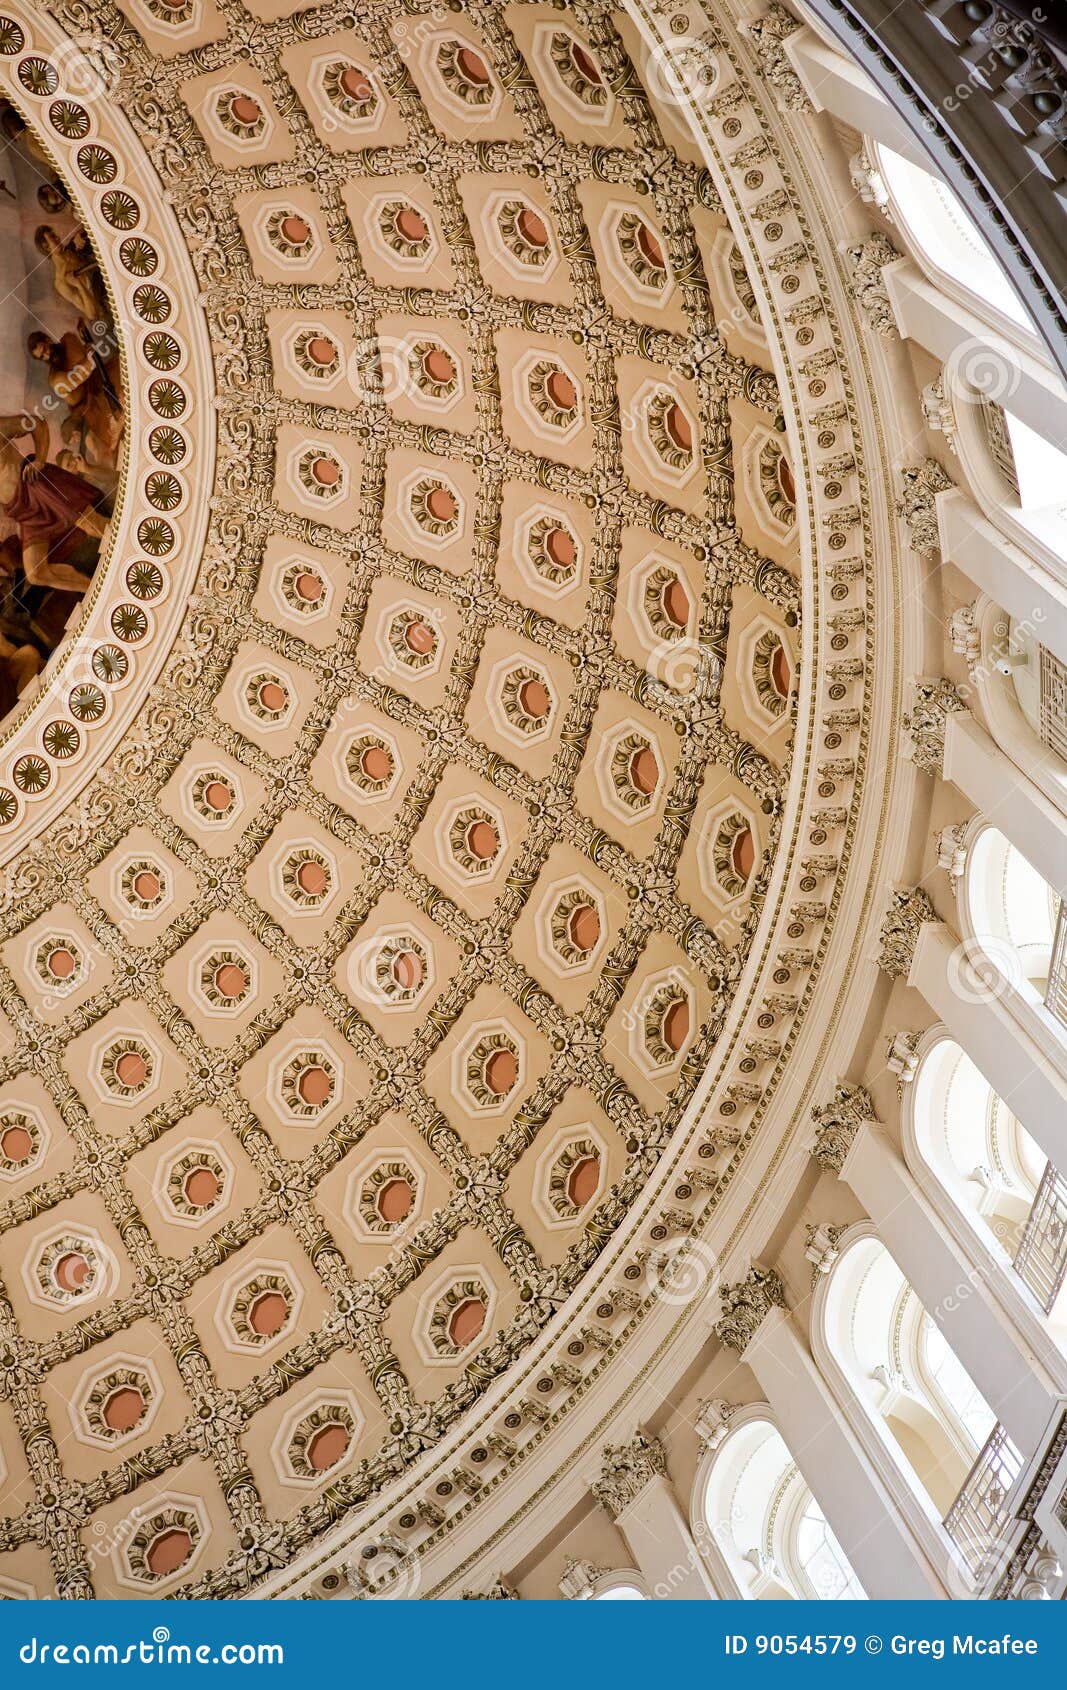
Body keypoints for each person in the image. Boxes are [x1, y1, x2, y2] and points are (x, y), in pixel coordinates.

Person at [0, 412, 108, 593]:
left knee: (92, 525)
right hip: (23, 511)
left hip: (35, 484)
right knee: (36, 573)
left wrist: (40, 460)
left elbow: (37, 423)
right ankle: (95, 590)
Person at [29, 327, 124, 464]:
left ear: (48, 340)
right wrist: (88, 354)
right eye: (42, 357)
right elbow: (81, 373)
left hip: (101, 379)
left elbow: (83, 355)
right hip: (93, 408)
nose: (47, 356)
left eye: (45, 350)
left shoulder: (67, 340)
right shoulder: (55, 379)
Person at [33, 225, 110, 327]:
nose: (58, 238)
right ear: (46, 247)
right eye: (52, 237)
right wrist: (79, 285)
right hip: (110, 304)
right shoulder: (61, 282)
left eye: (55, 235)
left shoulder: (72, 249)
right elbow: (92, 314)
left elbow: (90, 228)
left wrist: (79, 234)